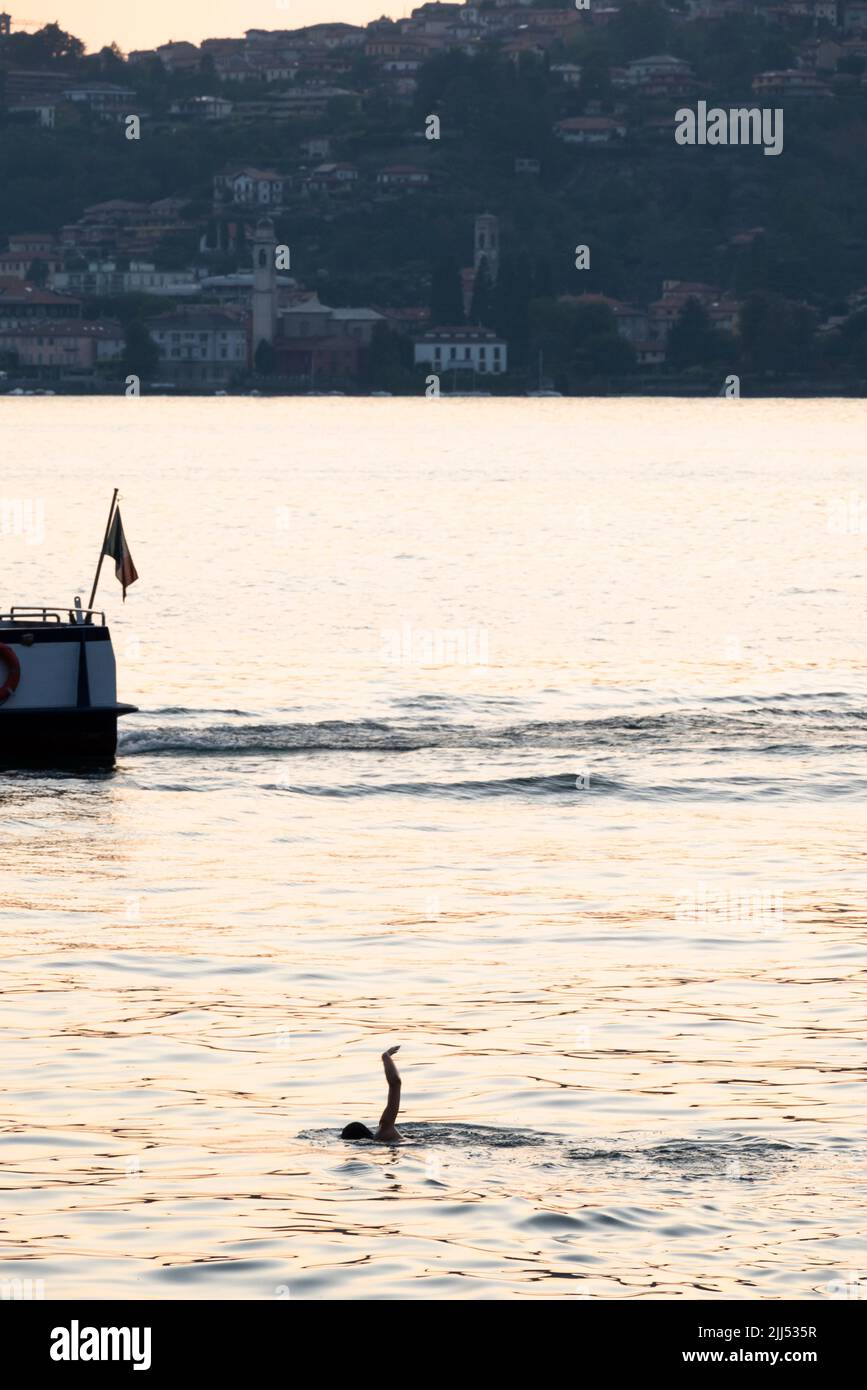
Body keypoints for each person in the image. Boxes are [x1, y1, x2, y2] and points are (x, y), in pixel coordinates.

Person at [341, 1046, 403, 1141]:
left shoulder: (379, 1139)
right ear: (366, 1130)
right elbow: (395, 1083)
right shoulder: (385, 1129)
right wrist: (386, 1056)